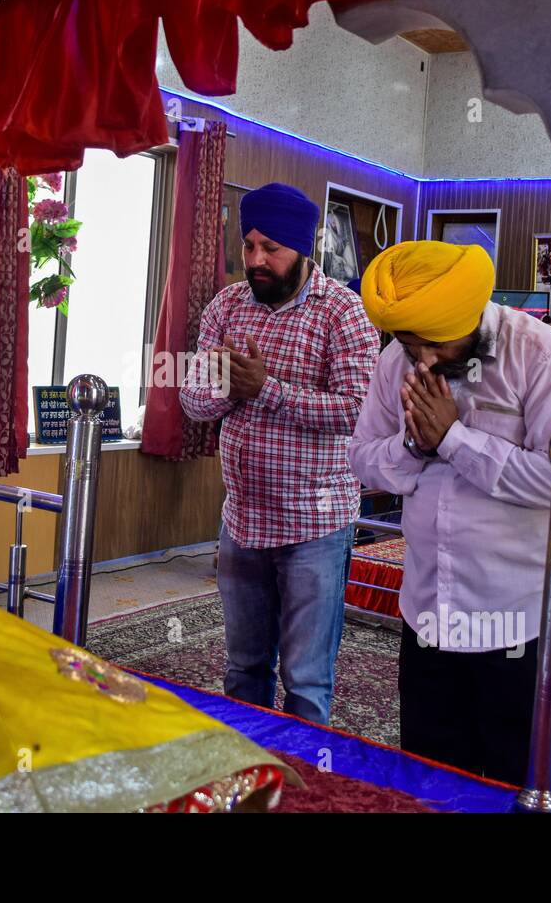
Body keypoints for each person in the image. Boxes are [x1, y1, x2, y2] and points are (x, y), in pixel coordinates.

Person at [348, 239, 551, 783]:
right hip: (427, 612)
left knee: (513, 780)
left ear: (466, 317)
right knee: (430, 776)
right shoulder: (397, 360)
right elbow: (365, 461)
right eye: (408, 344)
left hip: (516, 621)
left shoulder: (546, 360)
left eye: (433, 345)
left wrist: (452, 439)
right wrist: (415, 446)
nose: (423, 360)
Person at [180, 182, 379, 725]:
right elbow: (194, 402)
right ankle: (248, 777)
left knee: (305, 679)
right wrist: (226, 387)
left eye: (271, 248)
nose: (257, 260)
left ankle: (303, 790)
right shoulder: (227, 306)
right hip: (241, 521)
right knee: (243, 669)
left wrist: (264, 390)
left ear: (303, 248)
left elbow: (360, 412)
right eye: (248, 246)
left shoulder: (343, 313)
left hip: (314, 527)